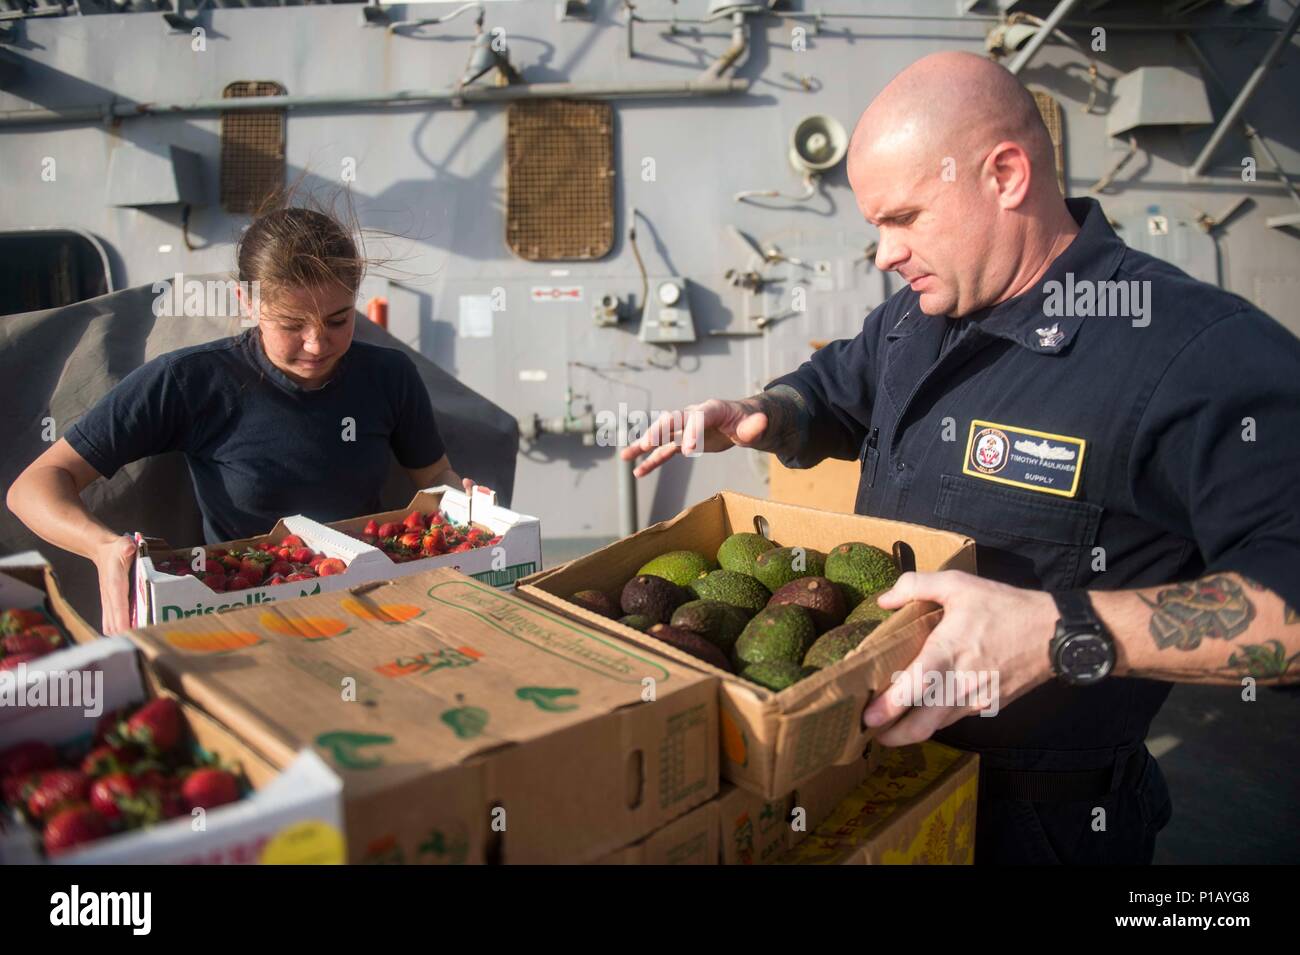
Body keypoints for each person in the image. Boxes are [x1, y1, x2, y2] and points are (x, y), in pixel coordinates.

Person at [622, 51, 1300, 864]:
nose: (883, 255)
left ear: (1006, 175)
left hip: (1037, 827)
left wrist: (1057, 632)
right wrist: (765, 411)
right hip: (874, 780)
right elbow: (834, 389)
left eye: (903, 218)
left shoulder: (1195, 354)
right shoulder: (916, 316)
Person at [7, 203, 477, 636]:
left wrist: (465, 507)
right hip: (246, 614)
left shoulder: (389, 375)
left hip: (372, 604)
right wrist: (103, 548)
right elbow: (36, 485)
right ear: (248, 302)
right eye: (292, 324)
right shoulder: (190, 381)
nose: (317, 344)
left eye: (338, 320)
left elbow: (433, 473)